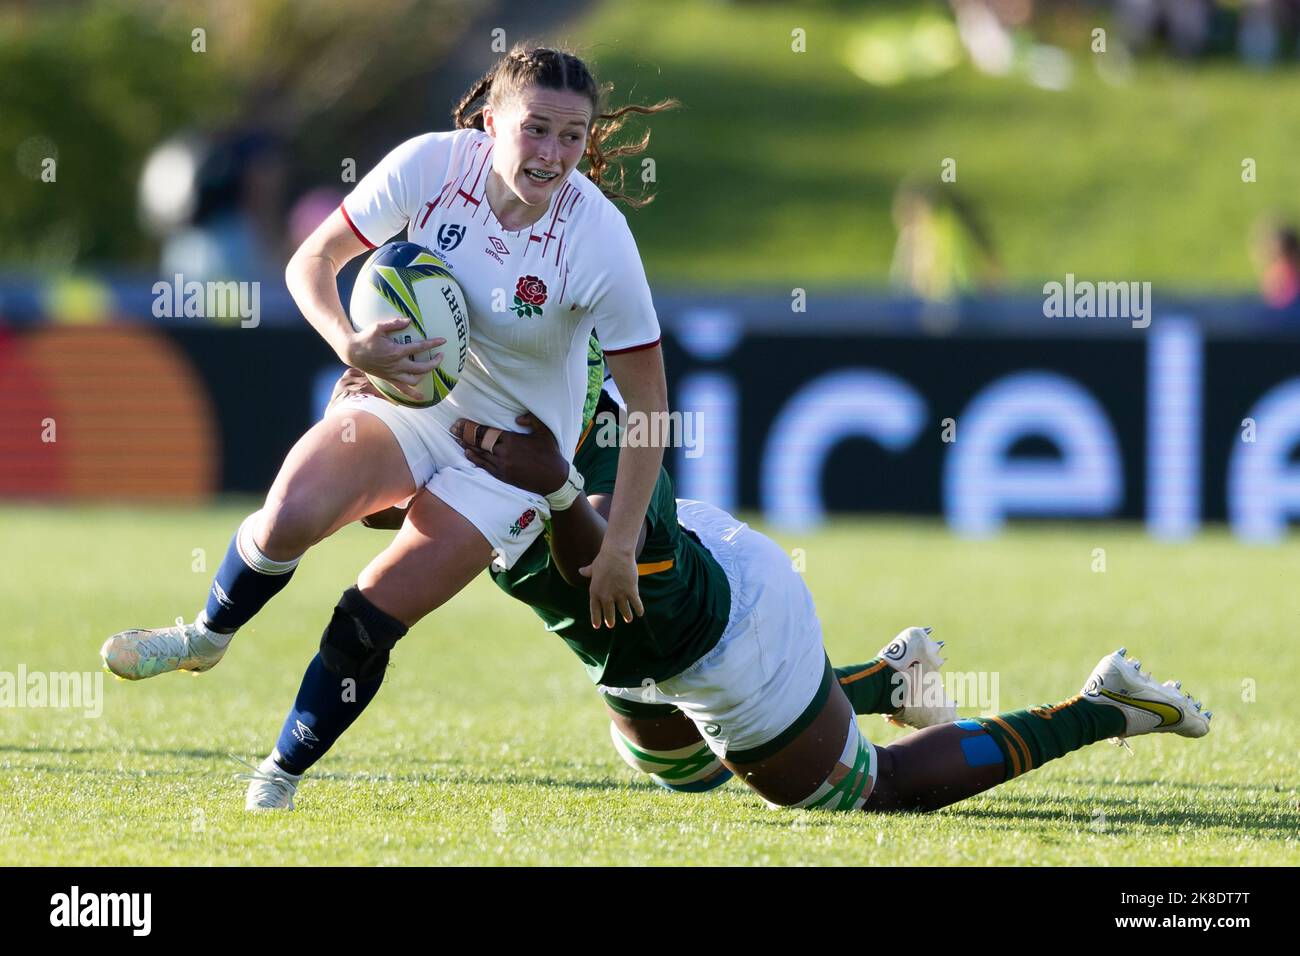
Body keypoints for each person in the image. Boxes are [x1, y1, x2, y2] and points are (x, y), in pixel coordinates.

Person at [244, 364, 1212, 813]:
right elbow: (393, 509)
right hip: (648, 632)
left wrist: (553, 485)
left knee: (863, 791)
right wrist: (370, 424)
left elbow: (603, 583)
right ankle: (887, 676)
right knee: (673, 770)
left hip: (713, 628)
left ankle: (1105, 705)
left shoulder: (577, 435)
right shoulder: (504, 388)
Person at [101, 47, 677, 683]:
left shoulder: (597, 235)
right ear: (490, 122)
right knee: (290, 515)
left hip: (531, 442)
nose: (552, 153)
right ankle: (206, 637)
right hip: (423, 409)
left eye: (572, 136)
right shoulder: (433, 165)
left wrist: (619, 543)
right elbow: (312, 260)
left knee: (622, 633)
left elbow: (649, 404)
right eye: (535, 129)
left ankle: (677, 697)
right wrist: (350, 344)